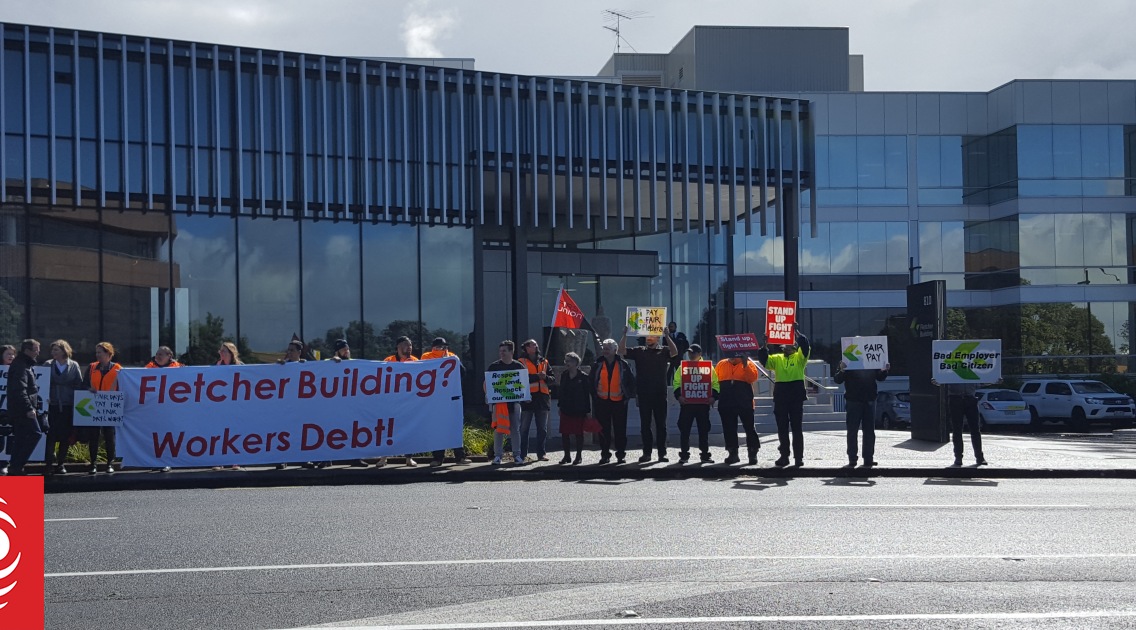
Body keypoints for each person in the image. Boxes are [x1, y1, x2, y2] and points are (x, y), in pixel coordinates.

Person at [619, 324, 678, 463]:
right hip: (644, 393)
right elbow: (622, 351)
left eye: (652, 336)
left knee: (661, 425)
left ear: (658, 338)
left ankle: (662, 453)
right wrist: (625, 335)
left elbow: (675, 352)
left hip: (660, 393)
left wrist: (667, 336)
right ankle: (647, 453)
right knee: (645, 425)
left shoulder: (663, 351)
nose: (649, 338)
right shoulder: (640, 351)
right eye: (647, 336)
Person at [757, 324, 811, 468]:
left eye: (790, 345)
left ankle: (798, 457)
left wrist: (797, 332)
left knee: (797, 428)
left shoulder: (800, 358)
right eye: (785, 345)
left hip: (796, 395)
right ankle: (784, 456)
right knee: (782, 428)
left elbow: (805, 346)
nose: (787, 347)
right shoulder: (777, 358)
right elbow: (765, 361)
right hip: (781, 395)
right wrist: (765, 344)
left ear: (794, 347)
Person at [422, 337, 470, 467]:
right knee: (438, 428)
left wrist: (452, 360)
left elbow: (462, 373)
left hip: (450, 398)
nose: (442, 349)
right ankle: (438, 458)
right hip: (434, 399)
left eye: (443, 346)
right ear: (434, 348)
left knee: (454, 427)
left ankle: (460, 457)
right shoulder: (426, 357)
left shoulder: (452, 357)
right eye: (439, 347)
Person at [834, 360, 890, 469]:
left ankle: (867, 459)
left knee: (868, 431)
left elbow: (880, 377)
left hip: (867, 399)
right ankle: (853, 458)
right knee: (853, 430)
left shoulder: (871, 359)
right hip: (854, 400)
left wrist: (884, 371)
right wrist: (841, 369)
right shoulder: (847, 359)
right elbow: (837, 379)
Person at [591, 338, 636, 464]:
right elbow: (592, 382)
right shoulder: (598, 364)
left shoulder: (623, 364)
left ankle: (620, 455)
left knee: (620, 430)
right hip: (602, 402)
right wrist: (595, 397)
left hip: (619, 402)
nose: (605, 351)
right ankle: (605, 455)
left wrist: (627, 396)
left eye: (607, 348)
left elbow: (631, 382)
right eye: (604, 348)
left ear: (615, 350)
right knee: (603, 430)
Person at [5, 339, 46, 476]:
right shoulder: (21, 366)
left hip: (19, 408)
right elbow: (20, 389)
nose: (38, 352)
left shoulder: (24, 364)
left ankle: (15, 467)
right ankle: (17, 465)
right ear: (27, 351)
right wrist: (29, 408)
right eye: (36, 349)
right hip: (22, 409)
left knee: (21, 437)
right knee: (35, 433)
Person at [673, 344, 719, 464]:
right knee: (684, 429)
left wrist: (713, 397)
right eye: (689, 353)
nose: (691, 355)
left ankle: (705, 455)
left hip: (702, 404)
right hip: (687, 404)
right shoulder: (683, 367)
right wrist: (679, 396)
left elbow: (715, 383)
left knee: (703, 430)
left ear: (700, 354)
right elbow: (676, 382)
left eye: (693, 353)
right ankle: (684, 455)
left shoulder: (708, 367)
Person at [44, 340, 84, 476]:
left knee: (65, 436)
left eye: (56, 350)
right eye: (52, 350)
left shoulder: (73, 365)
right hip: (52, 404)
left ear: (63, 351)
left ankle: (61, 463)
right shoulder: (48, 365)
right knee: (50, 436)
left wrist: (75, 401)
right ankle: (49, 464)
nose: (53, 353)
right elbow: (42, 382)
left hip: (67, 404)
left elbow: (78, 383)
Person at [932, 378, 992, 467]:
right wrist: (937, 380)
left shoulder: (971, 367)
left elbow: (981, 380)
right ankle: (958, 457)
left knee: (975, 430)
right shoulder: (952, 369)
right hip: (955, 399)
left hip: (970, 399)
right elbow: (943, 379)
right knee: (957, 430)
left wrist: (993, 379)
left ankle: (979, 457)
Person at [716, 350, 762, 465]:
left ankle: (752, 453)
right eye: (728, 354)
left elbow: (752, 378)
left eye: (733, 354)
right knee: (729, 429)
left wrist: (745, 364)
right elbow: (715, 382)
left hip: (744, 402)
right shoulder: (721, 364)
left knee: (749, 428)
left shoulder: (748, 363)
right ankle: (733, 454)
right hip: (726, 402)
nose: (731, 357)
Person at [380, 336, 419, 467]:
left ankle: (408, 458)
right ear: (398, 347)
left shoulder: (415, 361)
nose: (409, 347)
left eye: (410, 345)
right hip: (392, 402)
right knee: (388, 429)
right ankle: (383, 458)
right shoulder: (389, 360)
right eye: (406, 345)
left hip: (409, 402)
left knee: (409, 429)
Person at [83, 341, 122, 474]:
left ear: (108, 354)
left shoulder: (118, 369)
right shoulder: (92, 367)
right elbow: (84, 384)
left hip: (110, 407)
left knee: (109, 436)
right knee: (93, 436)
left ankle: (109, 463)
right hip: (94, 405)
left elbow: (123, 386)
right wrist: (89, 389)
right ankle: (93, 463)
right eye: (97, 352)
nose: (97, 355)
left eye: (100, 352)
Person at [485, 340, 525, 465]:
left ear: (511, 352)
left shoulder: (519, 367)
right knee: (498, 430)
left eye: (504, 351)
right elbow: (487, 384)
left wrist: (525, 396)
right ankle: (498, 456)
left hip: (514, 403)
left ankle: (517, 455)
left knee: (515, 429)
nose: (501, 353)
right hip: (498, 404)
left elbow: (523, 385)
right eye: (500, 351)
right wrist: (489, 397)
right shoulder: (493, 367)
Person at [517, 339, 554, 462]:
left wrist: (546, 377)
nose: (536, 346)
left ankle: (541, 454)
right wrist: (537, 377)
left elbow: (552, 379)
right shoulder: (521, 362)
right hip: (528, 398)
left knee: (542, 429)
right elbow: (520, 379)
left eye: (536, 344)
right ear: (526, 348)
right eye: (533, 344)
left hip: (542, 399)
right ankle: (522, 454)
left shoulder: (544, 361)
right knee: (524, 428)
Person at [557, 352, 596, 465]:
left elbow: (586, 394)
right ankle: (567, 456)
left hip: (579, 409)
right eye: (566, 361)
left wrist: (588, 411)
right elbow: (561, 391)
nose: (566, 363)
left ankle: (578, 456)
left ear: (575, 363)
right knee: (565, 433)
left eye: (568, 361)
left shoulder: (583, 377)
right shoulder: (564, 375)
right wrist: (559, 406)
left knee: (579, 434)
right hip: (566, 408)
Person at [1, 344, 17, 475]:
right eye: (8, 354)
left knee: (9, 436)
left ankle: (5, 464)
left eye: (13, 354)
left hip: (11, 410)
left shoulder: (18, 370)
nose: (11, 356)